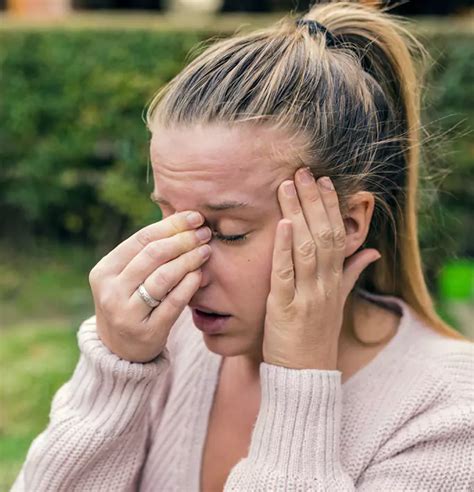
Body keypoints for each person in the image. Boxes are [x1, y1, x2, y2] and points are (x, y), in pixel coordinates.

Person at [11, 2, 473, 491]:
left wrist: (299, 383)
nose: (186, 269)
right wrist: (116, 371)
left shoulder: (446, 415)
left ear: (348, 223)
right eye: (170, 218)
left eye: (229, 230)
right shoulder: (166, 345)